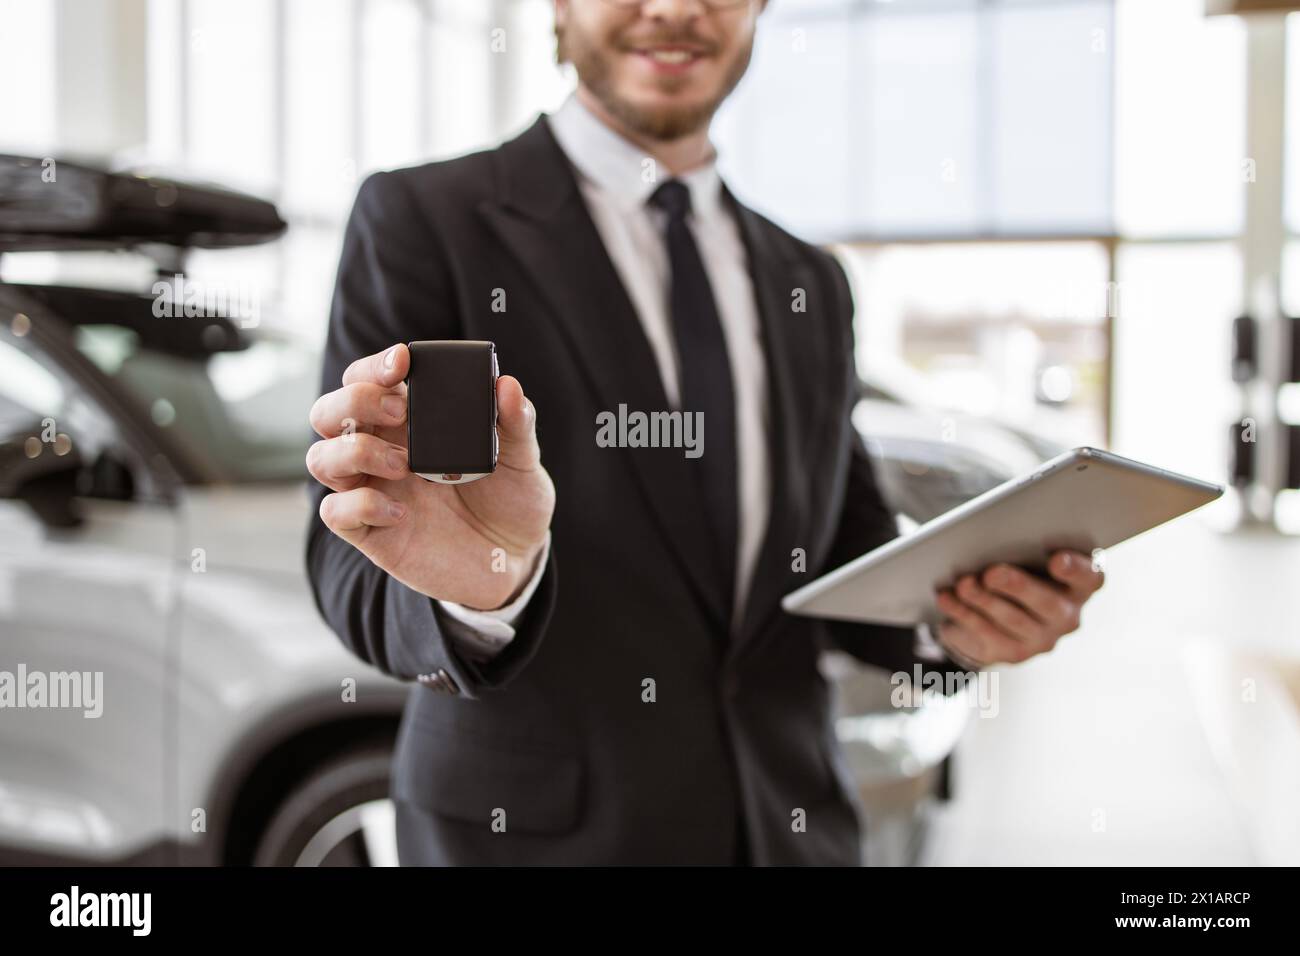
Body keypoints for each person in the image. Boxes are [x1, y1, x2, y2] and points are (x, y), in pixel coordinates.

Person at [304, 0, 1104, 865]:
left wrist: (955, 627)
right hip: (539, 841)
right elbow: (351, 564)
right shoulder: (428, 219)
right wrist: (482, 587)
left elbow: (841, 555)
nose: (678, 8)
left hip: (787, 827)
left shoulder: (810, 280)